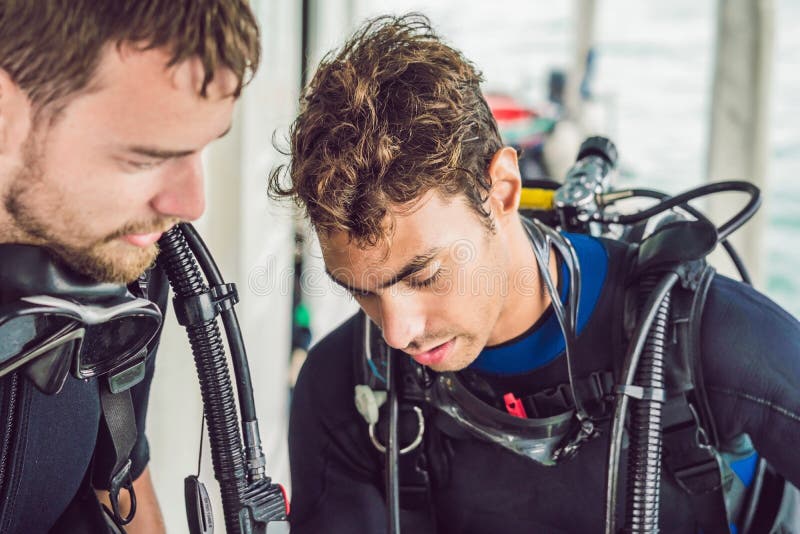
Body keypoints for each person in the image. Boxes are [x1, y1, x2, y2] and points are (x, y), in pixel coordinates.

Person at [272, 14, 800, 534]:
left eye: (425, 276)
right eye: (362, 292)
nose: (395, 332)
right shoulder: (346, 388)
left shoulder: (710, 344)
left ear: (501, 190)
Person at [0, 1, 260, 532]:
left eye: (197, 151)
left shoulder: (125, 259)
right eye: (145, 159)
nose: (190, 203)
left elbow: (117, 479)